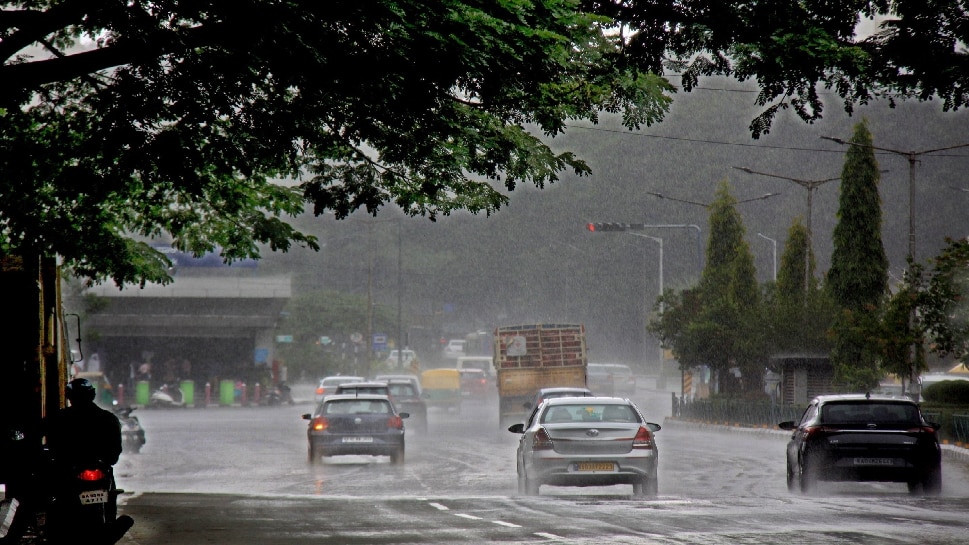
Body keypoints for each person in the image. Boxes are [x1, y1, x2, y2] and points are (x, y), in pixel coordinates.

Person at [45, 378, 123, 468]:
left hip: (65, 467)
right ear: (92, 395)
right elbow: (115, 449)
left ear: (69, 396)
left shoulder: (58, 418)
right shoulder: (108, 418)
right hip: (98, 467)